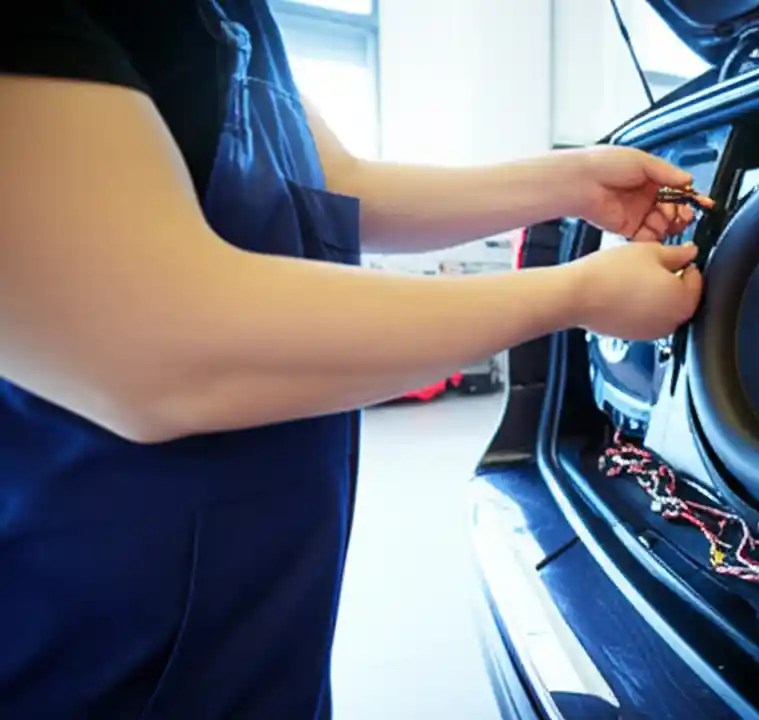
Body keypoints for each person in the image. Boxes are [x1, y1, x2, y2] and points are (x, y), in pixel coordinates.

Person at [0, 1, 708, 717]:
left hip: (259, 622)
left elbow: (333, 181)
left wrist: (574, 182)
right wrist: (575, 294)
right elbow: (153, 341)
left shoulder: (230, 15)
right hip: (89, 640)